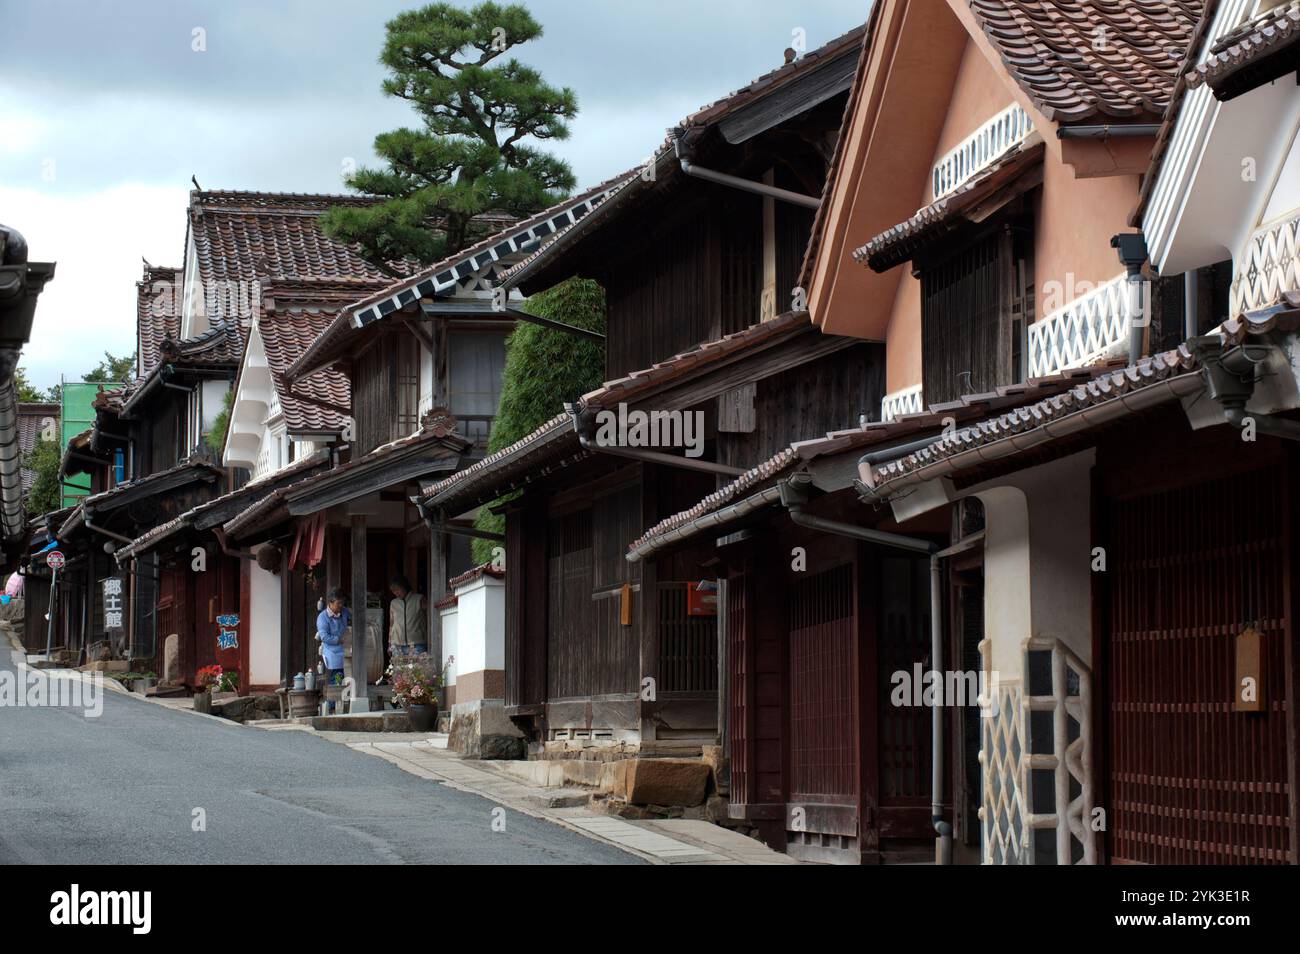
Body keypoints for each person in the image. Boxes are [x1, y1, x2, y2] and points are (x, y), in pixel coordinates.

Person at [316, 587, 351, 688]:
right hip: (333, 653)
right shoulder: (323, 617)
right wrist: (338, 640)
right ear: (330, 603)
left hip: (346, 651)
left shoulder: (344, 611)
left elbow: (353, 619)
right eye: (338, 603)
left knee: (348, 679)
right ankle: (332, 703)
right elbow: (324, 637)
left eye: (342, 603)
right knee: (337, 681)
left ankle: (343, 701)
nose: (341, 605)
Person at [388, 575, 427, 657]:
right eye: (393, 591)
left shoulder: (419, 599)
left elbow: (430, 618)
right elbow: (392, 624)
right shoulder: (393, 603)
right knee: (398, 669)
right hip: (397, 645)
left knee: (417, 670)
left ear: (404, 586)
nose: (395, 593)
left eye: (397, 589)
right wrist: (390, 643)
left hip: (416, 644)